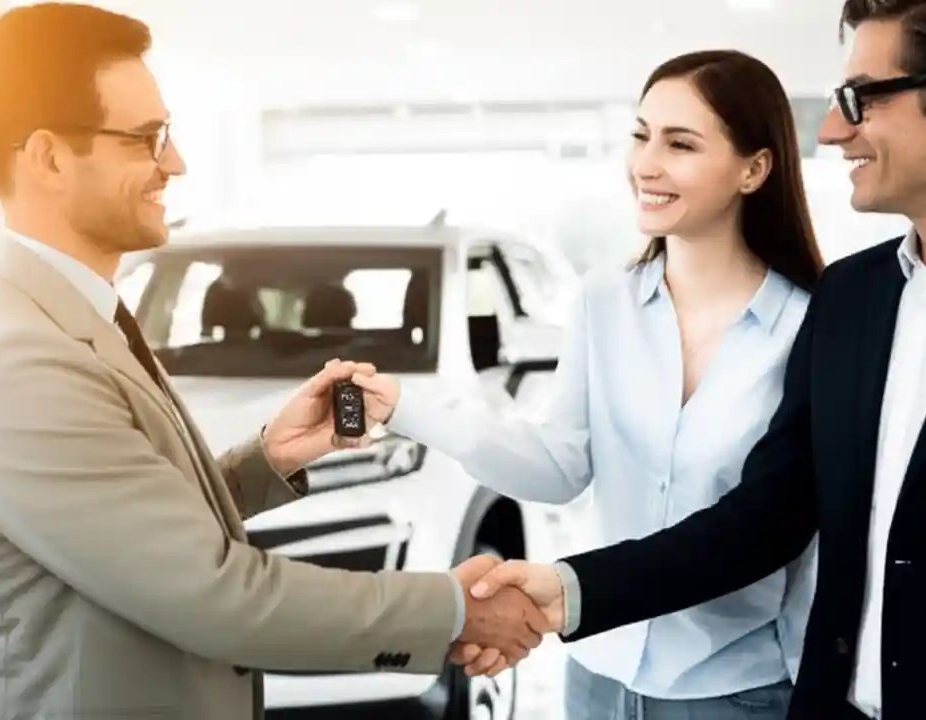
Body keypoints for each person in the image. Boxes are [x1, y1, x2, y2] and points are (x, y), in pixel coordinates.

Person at [461, 1, 926, 718]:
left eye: (860, 98)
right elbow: (766, 517)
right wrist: (572, 587)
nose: (830, 130)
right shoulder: (853, 299)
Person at [0, 5, 543, 719]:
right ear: (50, 159)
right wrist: (453, 610)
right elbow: (220, 599)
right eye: (146, 139)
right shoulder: (19, 364)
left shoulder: (72, 319)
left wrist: (264, 461)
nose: (174, 163)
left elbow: (130, 524)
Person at [351, 50, 824, 719]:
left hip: (735, 689)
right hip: (598, 675)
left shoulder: (811, 326)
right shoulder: (604, 301)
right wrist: (406, 408)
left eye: (680, 144)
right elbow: (562, 466)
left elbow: (767, 523)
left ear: (754, 168)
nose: (647, 165)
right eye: (640, 136)